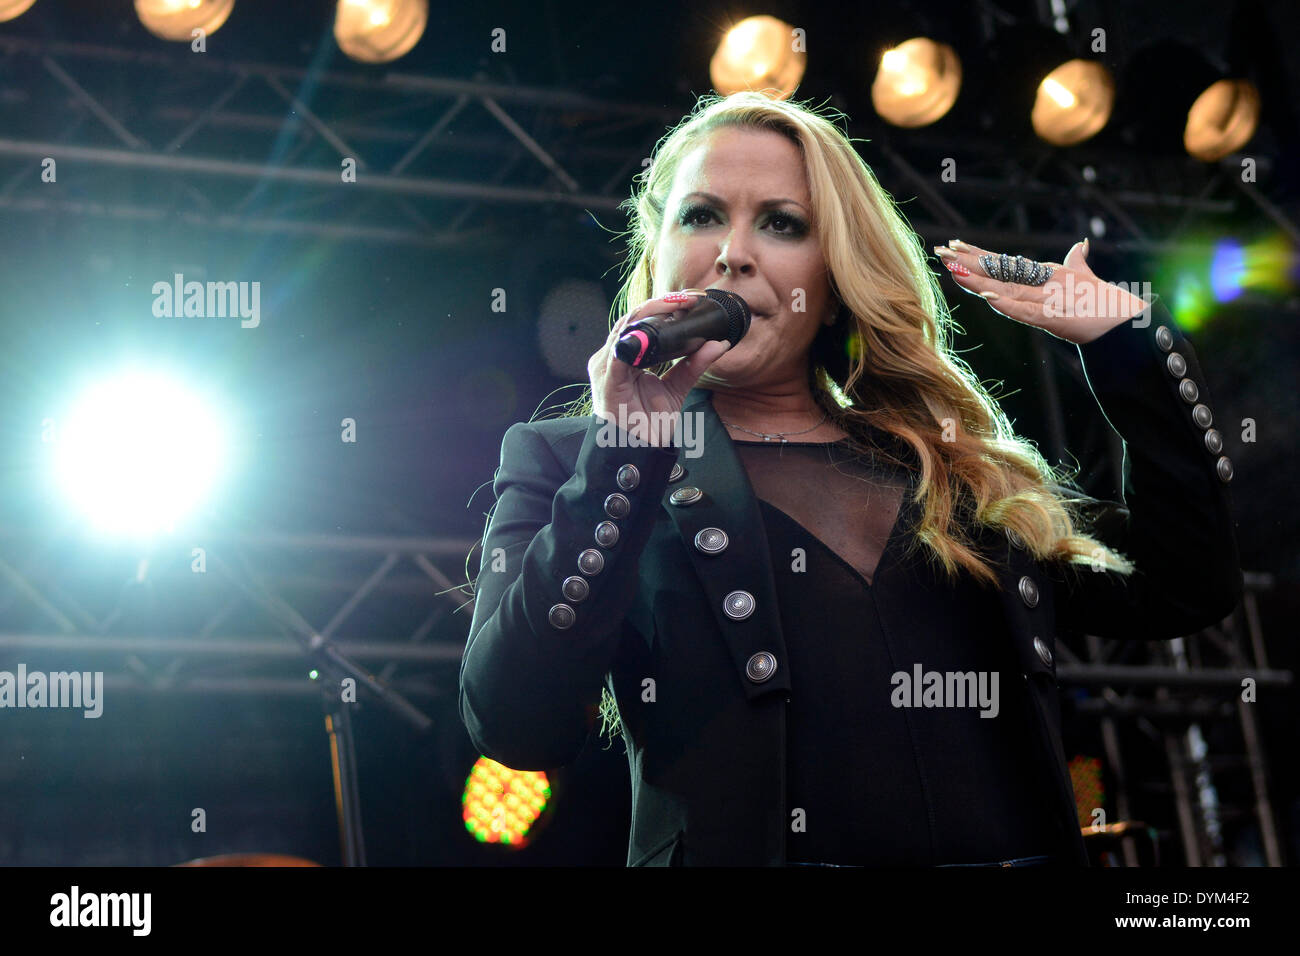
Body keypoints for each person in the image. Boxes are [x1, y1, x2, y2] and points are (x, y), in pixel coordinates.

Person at [458, 91, 1242, 867]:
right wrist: (623, 455)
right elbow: (516, 721)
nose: (734, 251)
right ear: (656, 256)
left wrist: (1129, 347)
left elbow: (1183, 585)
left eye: (783, 223)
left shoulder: (951, 467)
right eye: (700, 216)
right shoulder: (573, 461)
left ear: (833, 278)